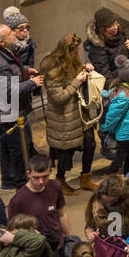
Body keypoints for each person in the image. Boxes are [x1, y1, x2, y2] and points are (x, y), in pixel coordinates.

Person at [0, 23, 41, 192]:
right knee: (17, 150)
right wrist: (32, 83)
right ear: (1, 42)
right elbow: (10, 90)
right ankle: (21, 186)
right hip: (6, 112)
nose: (14, 35)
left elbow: (10, 70)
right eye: (10, 34)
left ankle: (8, 181)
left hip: (0, 110)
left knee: (5, 149)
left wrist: (25, 70)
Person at [38, 33, 98, 194]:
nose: (77, 54)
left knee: (90, 143)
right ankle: (60, 180)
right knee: (66, 151)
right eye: (75, 51)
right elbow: (58, 98)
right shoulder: (52, 69)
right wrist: (77, 80)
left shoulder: (72, 61)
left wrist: (85, 68)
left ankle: (85, 178)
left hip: (80, 115)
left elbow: (75, 71)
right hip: (64, 118)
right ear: (66, 52)